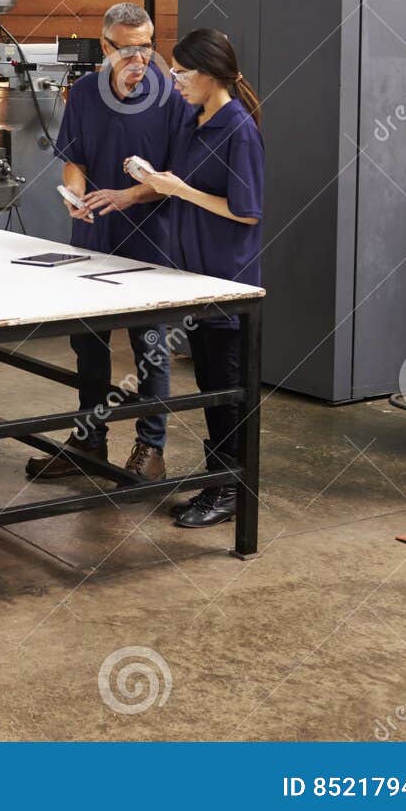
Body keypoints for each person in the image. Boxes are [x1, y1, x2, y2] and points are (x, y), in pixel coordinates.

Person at [27, 2, 187, 484]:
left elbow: (179, 177)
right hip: (93, 236)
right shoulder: (83, 94)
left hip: (153, 241)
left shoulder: (172, 96)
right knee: (88, 344)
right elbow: (74, 157)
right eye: (127, 49)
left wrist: (129, 195)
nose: (138, 59)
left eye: (146, 47)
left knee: (151, 345)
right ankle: (89, 440)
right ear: (105, 46)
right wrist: (73, 193)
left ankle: (151, 448)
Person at [137, 28, 263, 529]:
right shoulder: (196, 120)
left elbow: (247, 212)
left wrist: (179, 190)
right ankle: (220, 478)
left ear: (208, 75)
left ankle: (230, 487)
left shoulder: (238, 129)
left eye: (182, 73)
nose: (175, 82)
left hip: (227, 280)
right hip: (195, 276)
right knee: (211, 383)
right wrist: (154, 181)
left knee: (226, 389)